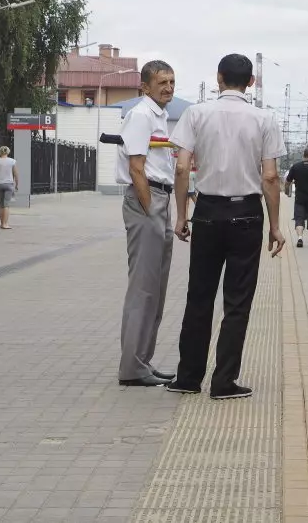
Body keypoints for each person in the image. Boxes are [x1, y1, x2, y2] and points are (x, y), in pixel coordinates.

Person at [167, 53, 286, 400]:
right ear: (251, 82)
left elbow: (181, 168)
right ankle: (223, 382)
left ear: (218, 78)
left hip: (206, 212)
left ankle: (188, 378)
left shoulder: (195, 113)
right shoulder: (264, 119)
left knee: (199, 297)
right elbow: (270, 177)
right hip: (247, 215)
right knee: (237, 302)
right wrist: (275, 226)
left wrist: (180, 216)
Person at [114, 60, 177, 387]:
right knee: (143, 288)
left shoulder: (159, 116)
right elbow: (137, 167)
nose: (168, 87)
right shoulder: (140, 116)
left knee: (155, 289)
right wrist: (151, 209)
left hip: (159, 200)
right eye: (161, 82)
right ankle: (132, 368)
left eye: (171, 82)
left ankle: (143, 362)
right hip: (146, 201)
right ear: (145, 86)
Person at [0, 146, 18, 230]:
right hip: (9, 184)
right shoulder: (12, 161)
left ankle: (1, 223)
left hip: (0, 183)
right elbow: (15, 173)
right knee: (6, 204)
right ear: (8, 152)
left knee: (1, 204)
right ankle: (5, 224)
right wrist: (17, 184)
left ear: (0, 152)